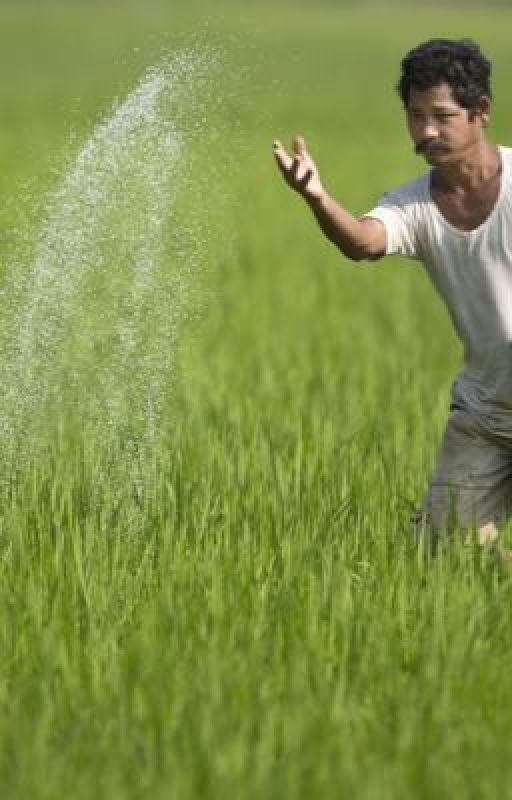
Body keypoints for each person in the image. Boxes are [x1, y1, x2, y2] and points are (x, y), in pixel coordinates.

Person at [273, 38, 512, 549]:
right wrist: (317, 198)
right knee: (443, 557)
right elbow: (362, 242)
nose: (426, 131)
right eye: (415, 115)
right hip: (487, 413)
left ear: (482, 111)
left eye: (442, 116)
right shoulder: (413, 205)